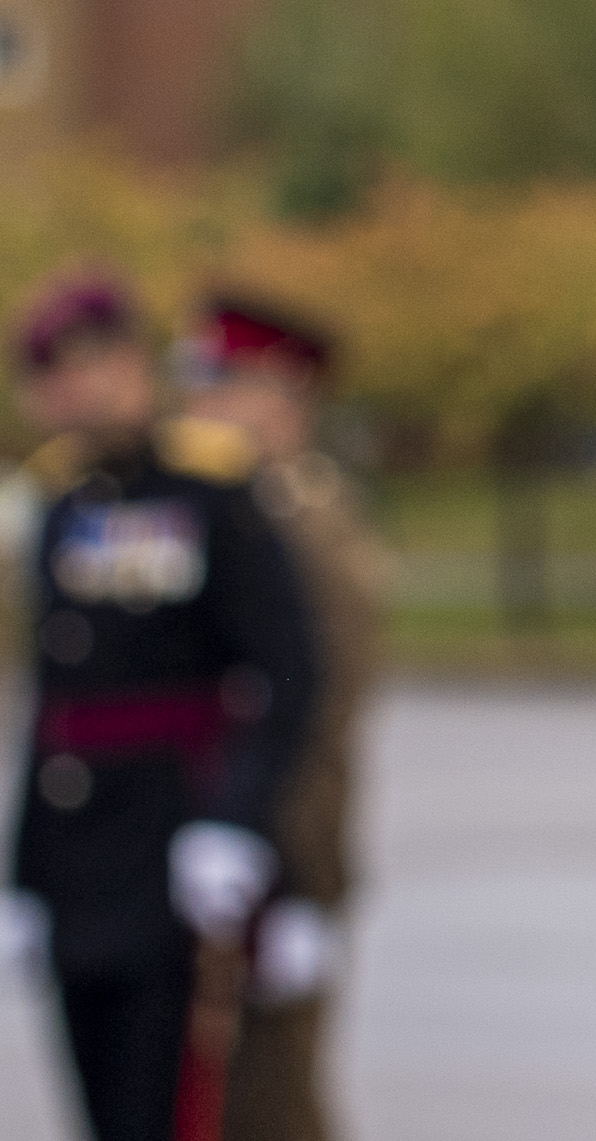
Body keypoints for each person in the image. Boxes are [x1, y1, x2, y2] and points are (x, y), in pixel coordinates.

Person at [6, 271, 321, 1141]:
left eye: (95, 365)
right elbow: (56, 699)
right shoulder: (61, 499)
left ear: (135, 365)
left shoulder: (210, 490)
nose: (78, 391)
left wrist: (239, 827)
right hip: (76, 861)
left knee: (167, 1110)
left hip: (174, 846)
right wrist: (22, 873)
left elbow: (287, 673)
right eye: (55, 374)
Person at [177, 291, 382, 1141]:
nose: (197, 406)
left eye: (220, 385)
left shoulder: (304, 524)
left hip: (276, 854)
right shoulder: (235, 508)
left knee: (270, 1107)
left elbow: (319, 721)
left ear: (282, 396)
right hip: (217, 850)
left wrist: (306, 886)